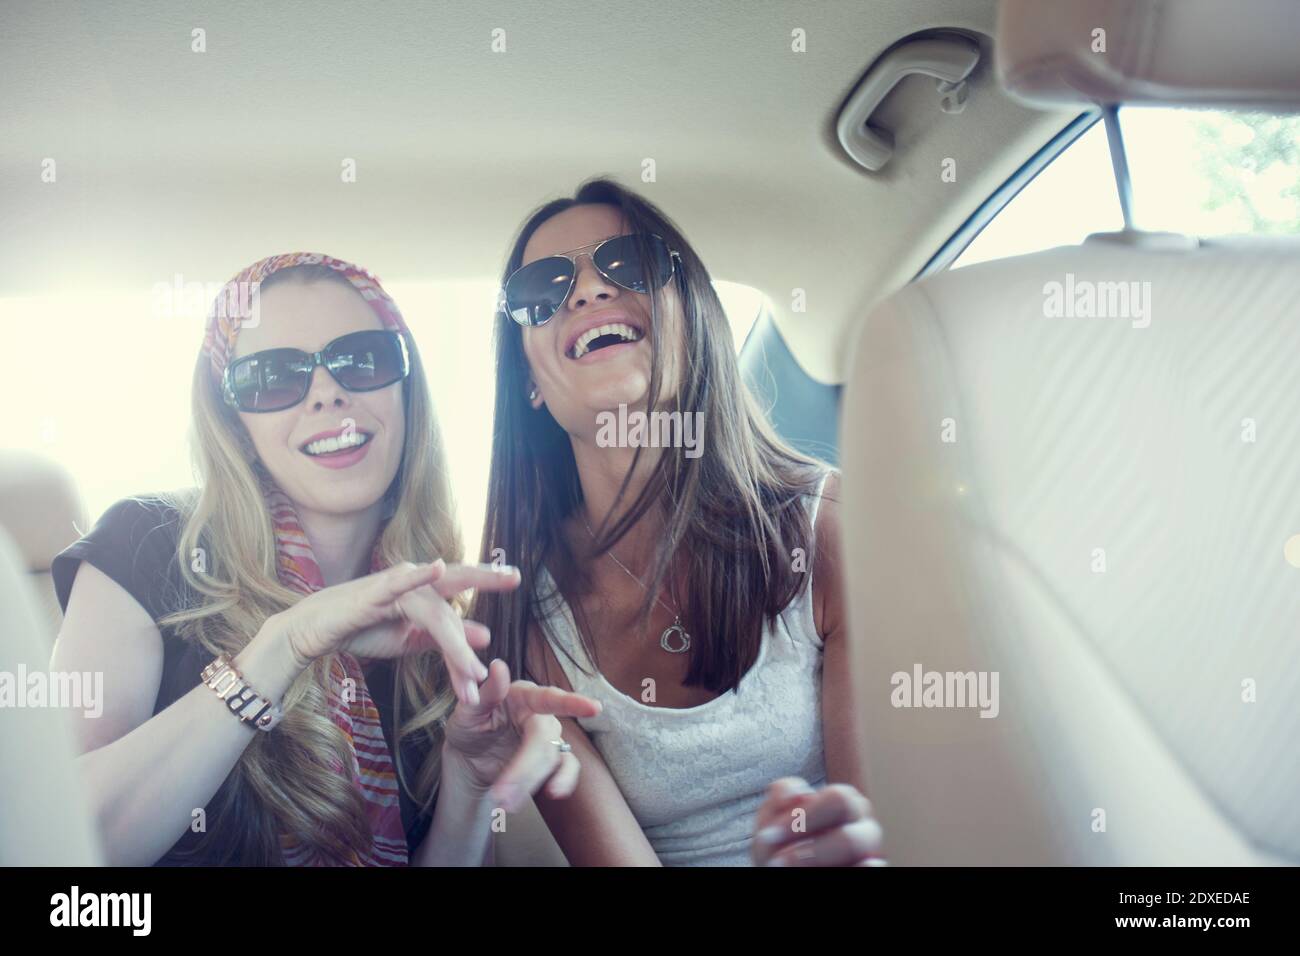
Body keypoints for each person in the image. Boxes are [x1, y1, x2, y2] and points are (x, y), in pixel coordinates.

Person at [50, 252, 598, 866]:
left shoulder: (440, 635)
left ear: (405, 388)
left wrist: (468, 787)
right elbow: (55, 847)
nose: (327, 394)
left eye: (362, 359)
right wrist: (282, 647)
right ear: (234, 421)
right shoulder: (145, 546)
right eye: (272, 377)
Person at [475, 181, 884, 865]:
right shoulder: (525, 619)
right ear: (531, 385)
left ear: (693, 318)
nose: (586, 291)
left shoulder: (826, 529)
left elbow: (884, 831)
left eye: (628, 263)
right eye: (541, 289)